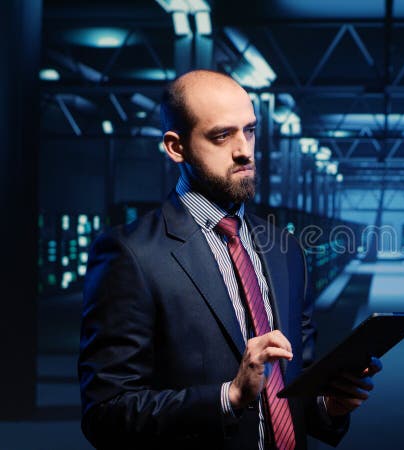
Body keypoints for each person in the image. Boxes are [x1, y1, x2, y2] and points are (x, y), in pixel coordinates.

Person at [78, 69, 380, 450]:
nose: (244, 150)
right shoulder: (131, 254)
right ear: (176, 147)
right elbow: (105, 414)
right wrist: (229, 397)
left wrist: (329, 406)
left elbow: (292, 387)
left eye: (249, 130)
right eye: (222, 135)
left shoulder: (284, 248)